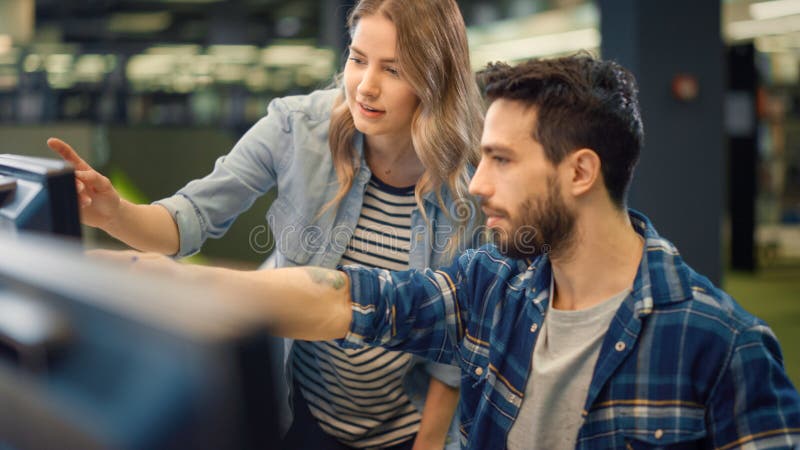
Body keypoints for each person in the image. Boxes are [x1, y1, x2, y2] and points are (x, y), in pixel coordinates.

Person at [109, 53, 800, 449]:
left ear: (580, 173)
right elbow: (337, 299)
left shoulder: (721, 347)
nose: (476, 183)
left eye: (501, 160)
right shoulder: (494, 287)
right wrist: (152, 280)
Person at [48, 1, 484, 448]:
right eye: (357, 59)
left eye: (393, 70)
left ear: (435, 79)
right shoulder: (298, 127)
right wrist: (115, 213)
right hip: (300, 413)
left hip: (404, 429)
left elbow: (453, 354)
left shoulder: (472, 183)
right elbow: (189, 218)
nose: (365, 88)